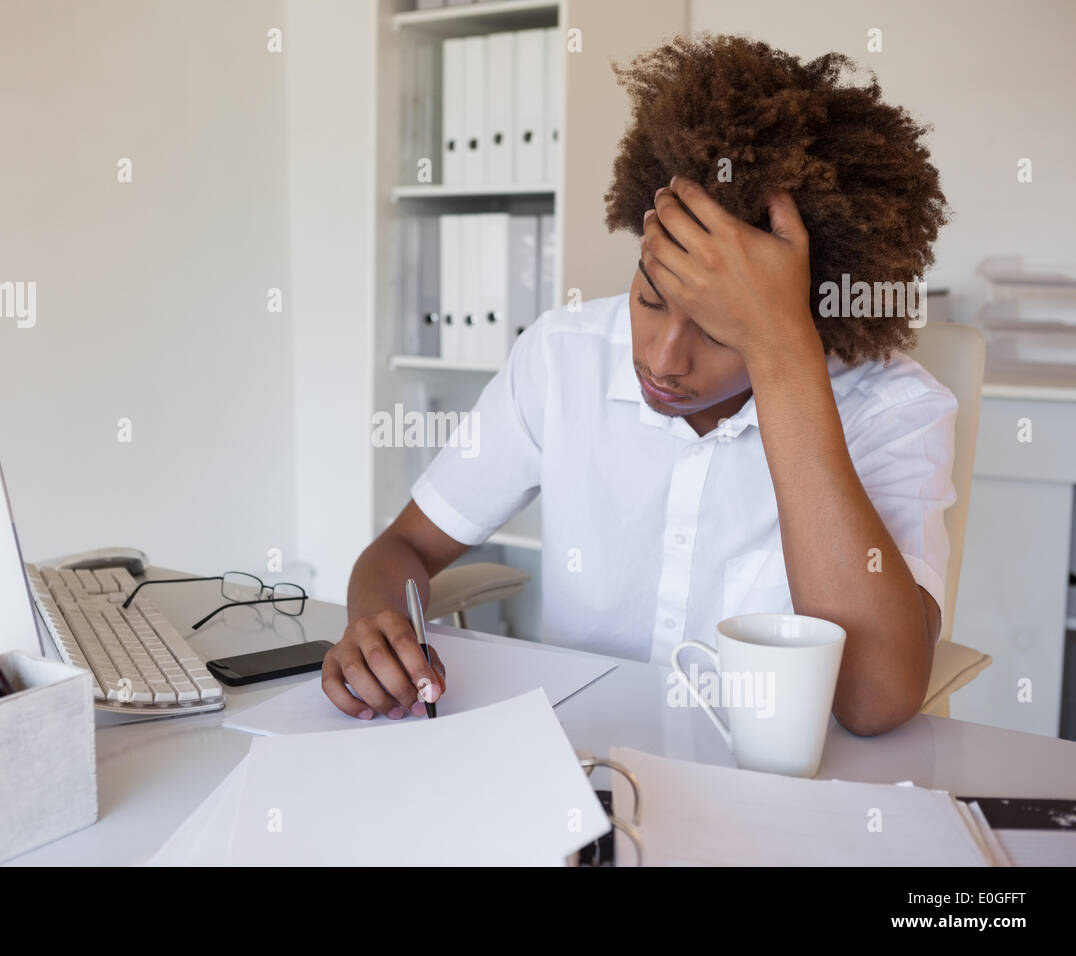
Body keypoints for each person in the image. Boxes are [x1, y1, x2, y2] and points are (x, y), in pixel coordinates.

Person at [322, 34, 955, 736]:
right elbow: (401, 549)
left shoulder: (896, 409)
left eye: (718, 330)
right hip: (578, 764)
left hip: (771, 798)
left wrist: (783, 357)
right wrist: (377, 627)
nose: (662, 358)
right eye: (651, 298)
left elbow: (875, 700)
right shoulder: (564, 357)